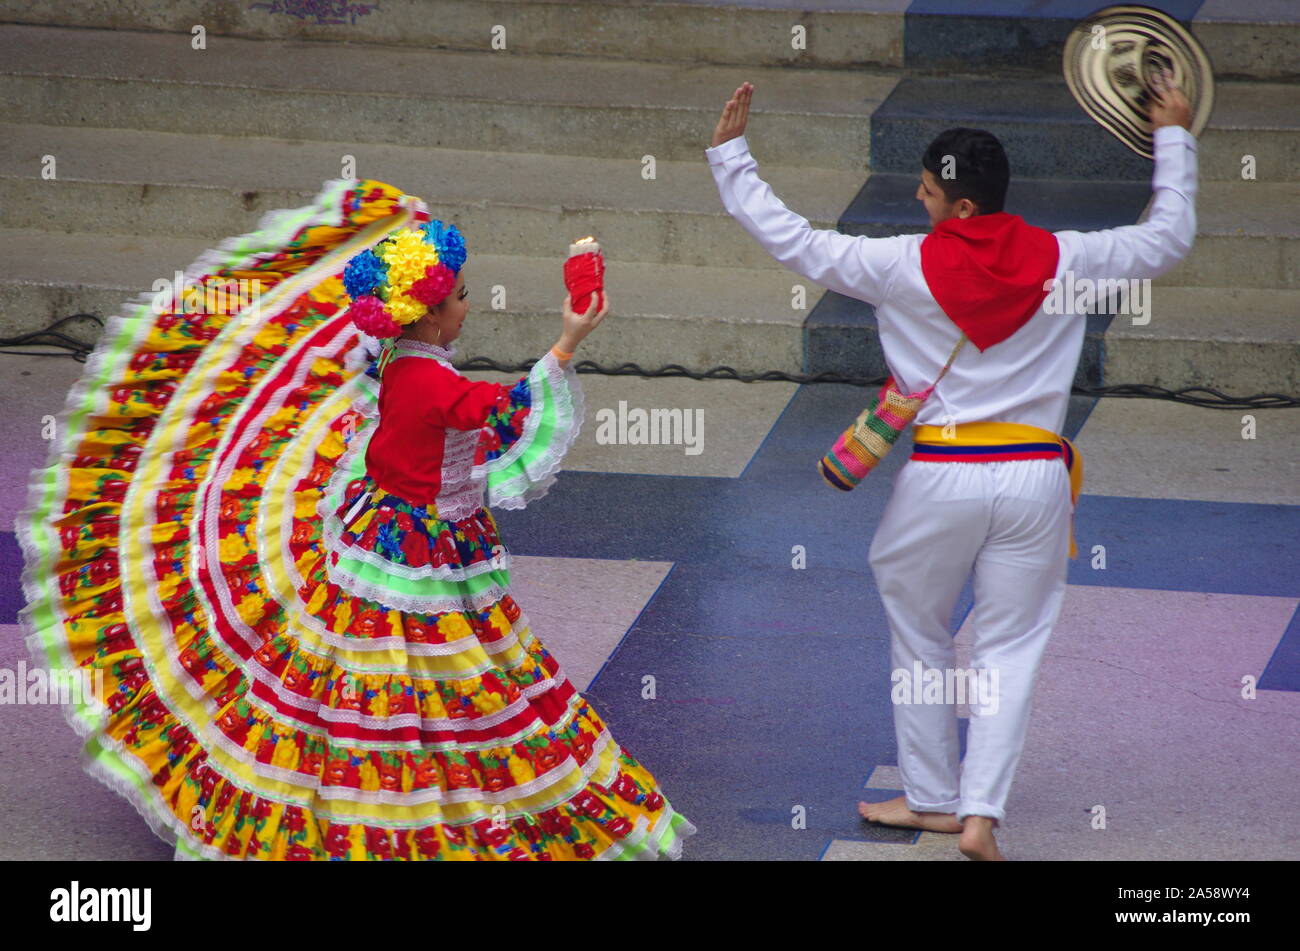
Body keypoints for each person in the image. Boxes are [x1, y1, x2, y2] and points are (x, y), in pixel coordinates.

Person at [16, 182, 695, 860]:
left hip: (387, 528)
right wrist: (567, 344)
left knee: (371, 660)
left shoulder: (401, 360)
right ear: (429, 317)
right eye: (460, 297)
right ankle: (429, 804)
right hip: (423, 550)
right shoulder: (435, 383)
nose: (467, 307)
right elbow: (509, 413)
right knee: (444, 664)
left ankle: (361, 784)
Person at [706, 75, 1196, 860]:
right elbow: (1169, 236)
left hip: (942, 473)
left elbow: (794, 240)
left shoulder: (900, 265)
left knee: (919, 629)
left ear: (962, 206)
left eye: (930, 190)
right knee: (1011, 647)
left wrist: (733, 156)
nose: (919, 196)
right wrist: (1174, 136)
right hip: (1035, 478)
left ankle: (932, 796)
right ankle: (979, 817)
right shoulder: (1069, 259)